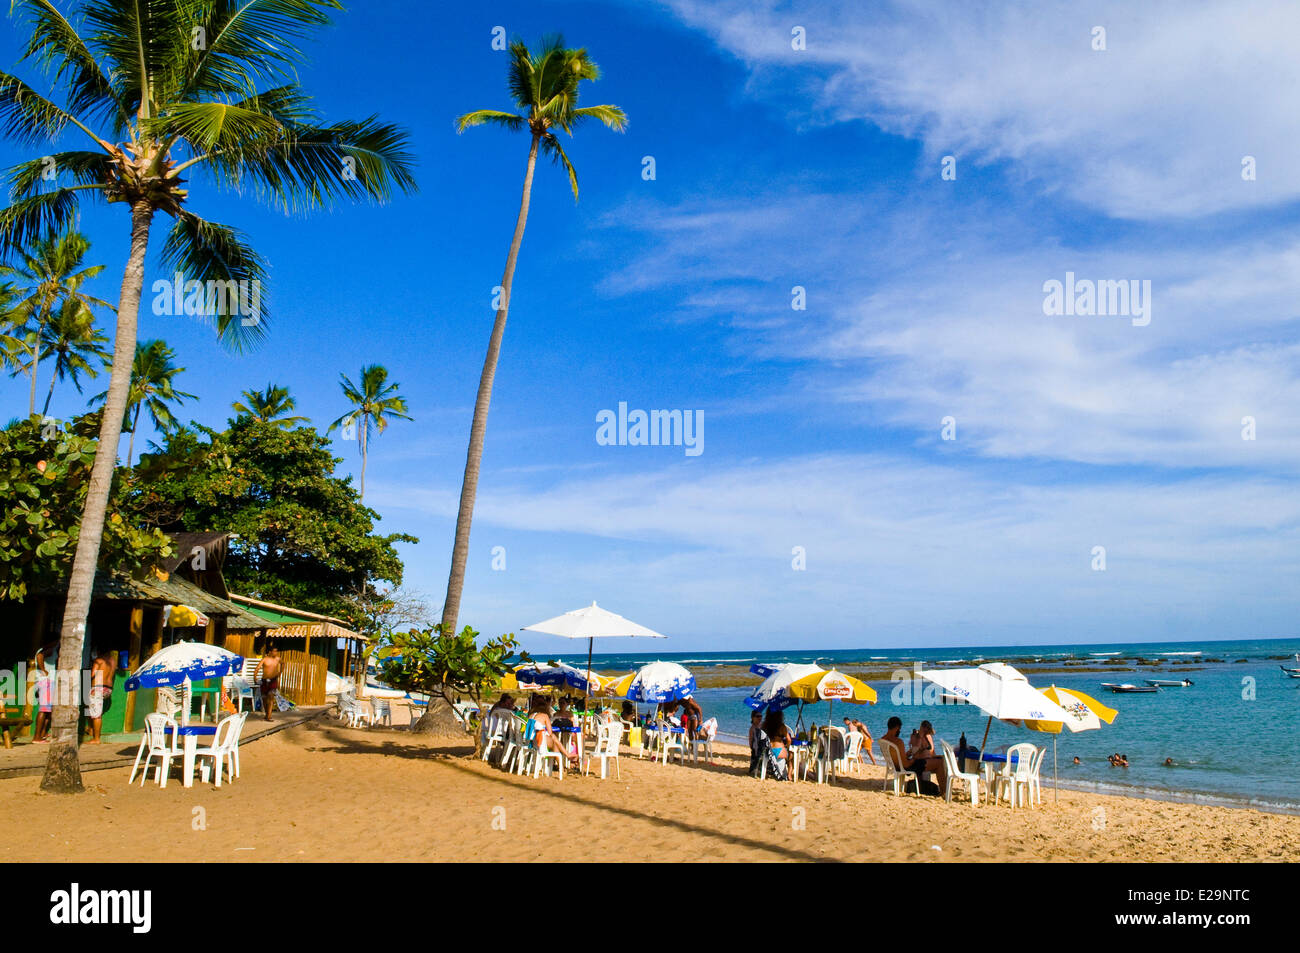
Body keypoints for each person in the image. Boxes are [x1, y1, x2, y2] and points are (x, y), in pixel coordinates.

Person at [527, 698, 578, 769]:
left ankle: (565, 756)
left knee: (553, 738)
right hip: (539, 740)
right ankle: (561, 764)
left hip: (530, 740)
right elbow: (550, 732)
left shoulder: (531, 715)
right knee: (554, 742)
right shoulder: (544, 716)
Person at [907, 719, 945, 792]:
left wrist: (938, 757)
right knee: (940, 764)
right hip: (919, 762)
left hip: (928, 760)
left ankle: (944, 788)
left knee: (943, 761)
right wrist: (920, 737)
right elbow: (914, 751)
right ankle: (943, 790)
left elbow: (932, 752)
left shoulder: (928, 736)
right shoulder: (915, 736)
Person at [85, 651, 115, 743]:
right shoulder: (113, 661)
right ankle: (90, 729)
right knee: (89, 707)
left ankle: (96, 739)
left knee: (96, 716)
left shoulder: (99, 660)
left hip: (98, 688)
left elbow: (92, 674)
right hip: (108, 689)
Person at [761, 709, 795, 781]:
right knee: (791, 755)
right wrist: (787, 747)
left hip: (768, 752)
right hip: (780, 751)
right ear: (780, 716)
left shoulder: (764, 725)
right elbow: (789, 740)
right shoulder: (781, 726)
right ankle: (789, 774)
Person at [29, 650, 51, 743]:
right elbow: (39, 655)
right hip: (45, 681)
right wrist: (43, 670)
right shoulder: (49, 647)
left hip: (47, 681)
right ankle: (37, 737)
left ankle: (42, 734)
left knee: (49, 711)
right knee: (44, 709)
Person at [254, 646, 282, 722]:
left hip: (273, 680)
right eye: (274, 651)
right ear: (270, 652)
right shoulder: (265, 659)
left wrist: (280, 672)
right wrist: (255, 678)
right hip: (264, 681)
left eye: (276, 651)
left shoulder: (278, 659)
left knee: (271, 697)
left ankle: (269, 716)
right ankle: (267, 714)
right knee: (264, 698)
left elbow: (283, 664)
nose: (275, 653)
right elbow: (257, 668)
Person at [747, 710, 765, 777]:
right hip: (756, 747)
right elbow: (750, 740)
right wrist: (752, 747)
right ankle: (754, 769)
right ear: (753, 718)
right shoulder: (752, 728)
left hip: (761, 746)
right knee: (756, 755)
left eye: (760, 716)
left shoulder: (762, 726)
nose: (759, 718)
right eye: (757, 716)